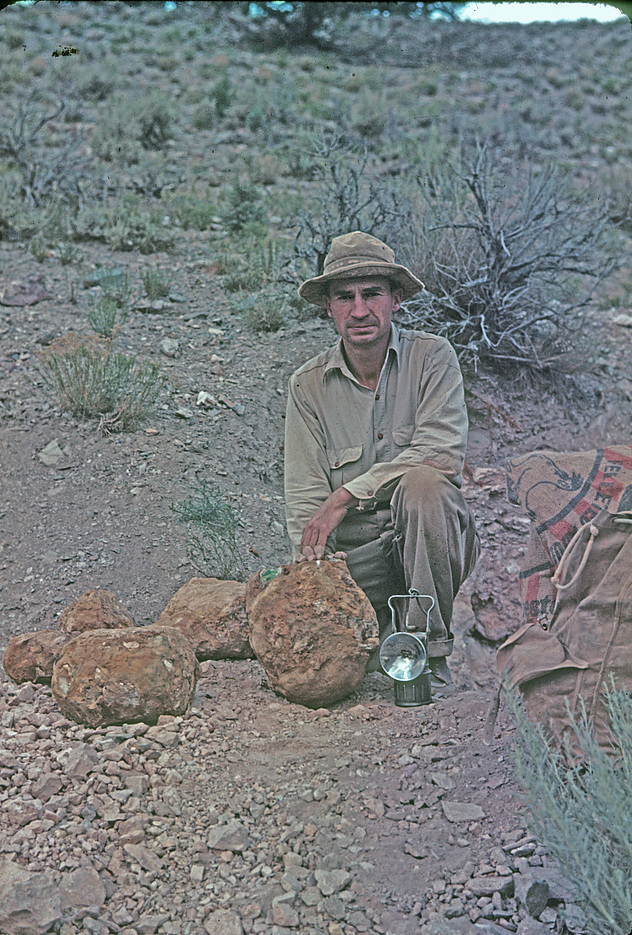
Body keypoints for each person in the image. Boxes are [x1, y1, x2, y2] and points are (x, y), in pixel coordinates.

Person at [284, 231, 480, 689]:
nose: (359, 310)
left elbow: (441, 452)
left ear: (395, 299)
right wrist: (316, 584)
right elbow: (305, 503)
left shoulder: (433, 357)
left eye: (371, 294)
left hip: (427, 544)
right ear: (328, 308)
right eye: (344, 297)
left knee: (424, 485)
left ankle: (426, 653)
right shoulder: (306, 385)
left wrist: (346, 495)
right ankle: (382, 637)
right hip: (358, 560)